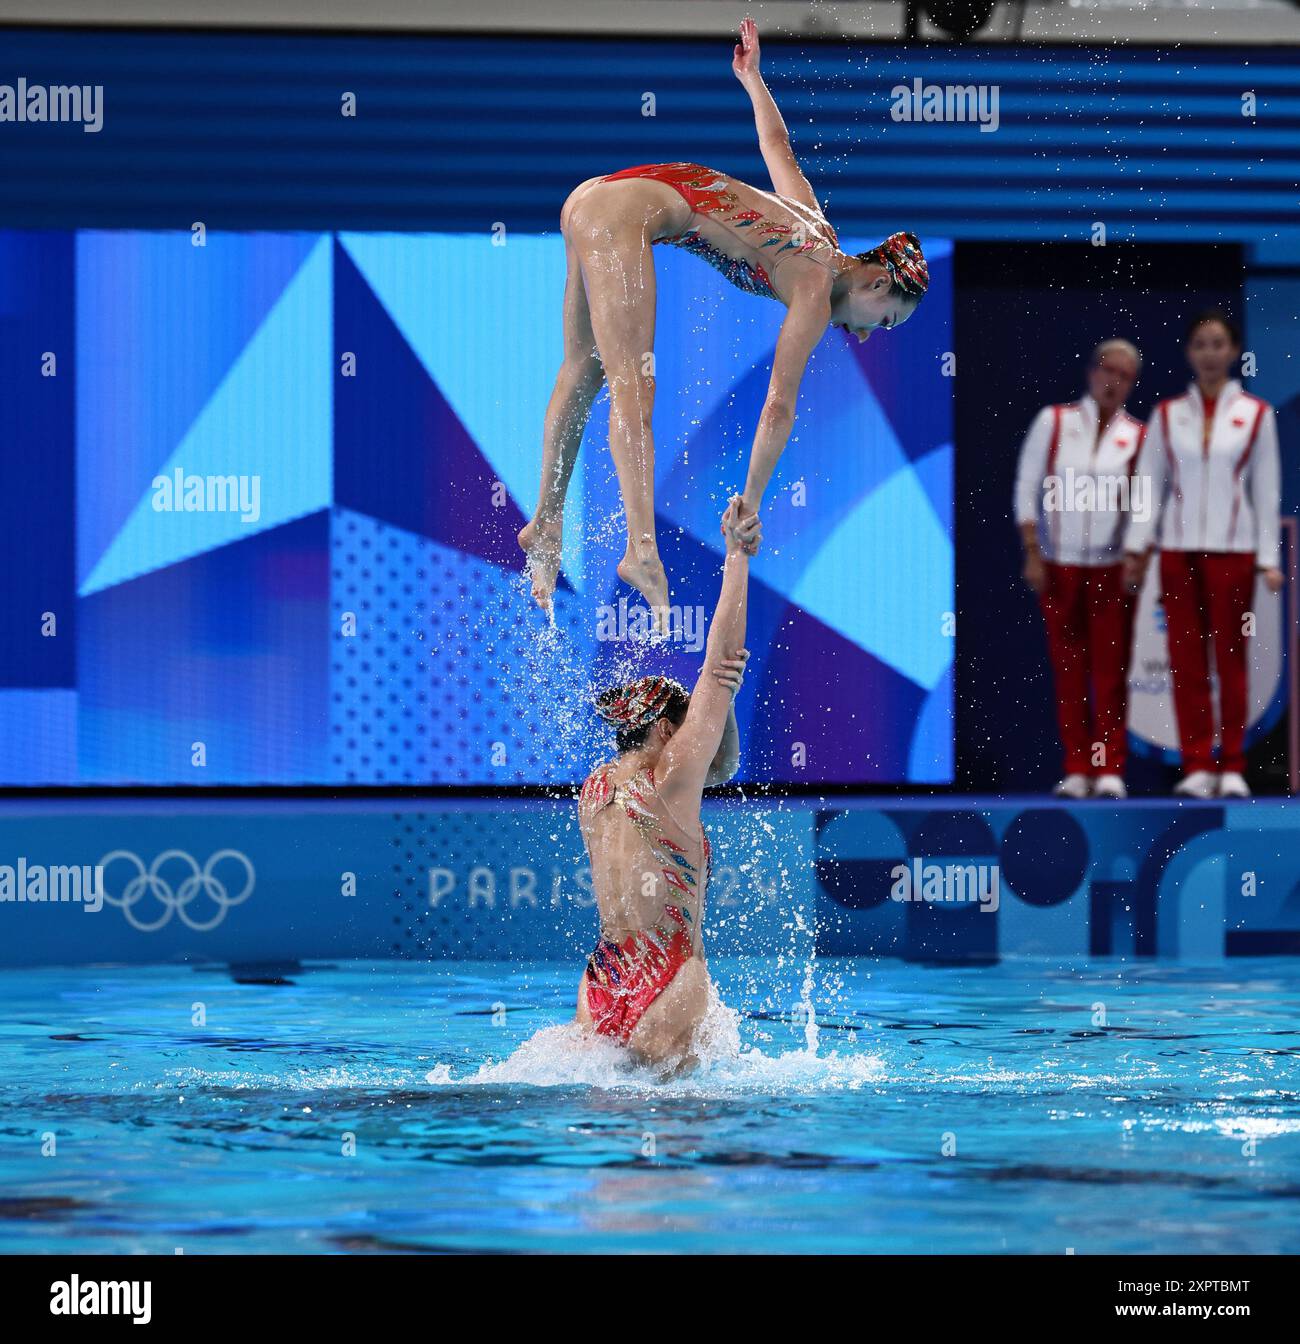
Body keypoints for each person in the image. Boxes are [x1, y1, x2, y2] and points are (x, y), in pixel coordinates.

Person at [518, 16, 928, 624]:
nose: (866, 335)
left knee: (586, 367)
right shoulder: (815, 289)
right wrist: (752, 502)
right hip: (618, 214)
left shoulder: (814, 223)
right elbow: (777, 408)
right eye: (883, 318)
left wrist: (753, 80)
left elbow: (777, 151)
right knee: (633, 382)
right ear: (873, 280)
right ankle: (641, 549)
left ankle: (548, 521)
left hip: (595, 196)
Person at [574, 497, 758, 1072]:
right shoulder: (672, 779)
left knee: (611, 1132)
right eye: (681, 731)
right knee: (677, 1139)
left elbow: (722, 763)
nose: (689, 743)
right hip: (672, 977)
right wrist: (736, 556)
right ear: (661, 730)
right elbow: (720, 661)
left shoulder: (594, 790)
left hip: (603, 980)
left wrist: (714, 702)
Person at [1123, 308, 1283, 799]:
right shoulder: (1169, 415)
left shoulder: (1255, 415)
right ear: (1190, 354)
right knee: (1186, 662)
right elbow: (1149, 486)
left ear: (1233, 352)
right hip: (1177, 552)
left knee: (1232, 662)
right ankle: (1195, 763)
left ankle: (1231, 762)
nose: (1210, 354)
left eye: (1218, 345)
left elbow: (1266, 489)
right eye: (1201, 345)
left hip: (1232, 552)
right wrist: (1136, 546)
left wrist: (1268, 558)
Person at [1015, 340, 1145, 799]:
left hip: (1109, 568)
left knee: (1110, 673)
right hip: (1060, 565)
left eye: (1124, 375)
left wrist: (1134, 555)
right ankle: (1076, 766)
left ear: (1132, 384)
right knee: (1068, 671)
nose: (1114, 381)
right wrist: (1033, 551)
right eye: (1108, 370)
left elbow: (1142, 504)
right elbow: (1029, 485)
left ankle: (1109, 767)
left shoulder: (1137, 436)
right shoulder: (1055, 422)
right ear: (1092, 372)